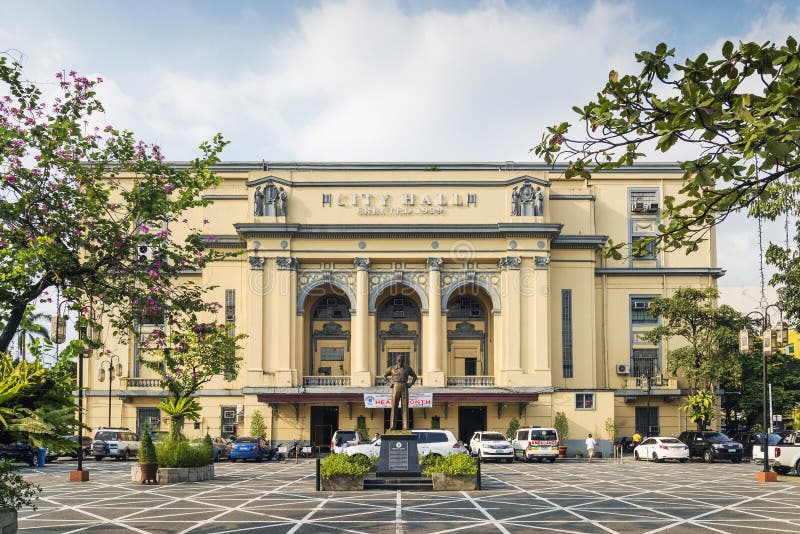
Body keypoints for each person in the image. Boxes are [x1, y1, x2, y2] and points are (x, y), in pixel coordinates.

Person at [382, 354, 418, 430]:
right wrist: (389, 383)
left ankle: (405, 426)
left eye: (401, 360)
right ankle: (392, 426)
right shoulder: (392, 368)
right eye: (399, 360)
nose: (400, 361)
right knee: (394, 406)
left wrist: (411, 384)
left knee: (405, 407)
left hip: (404, 386)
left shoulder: (407, 368)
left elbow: (415, 376)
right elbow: (384, 376)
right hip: (395, 386)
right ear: (396, 360)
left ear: (404, 361)